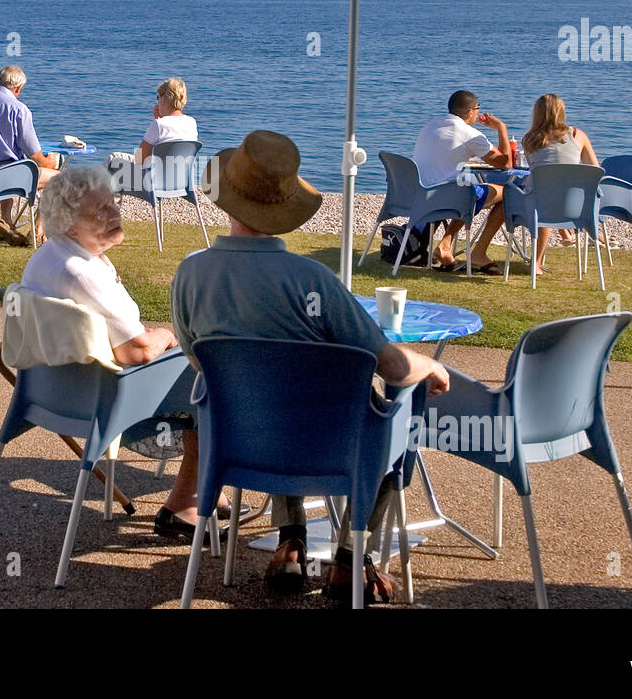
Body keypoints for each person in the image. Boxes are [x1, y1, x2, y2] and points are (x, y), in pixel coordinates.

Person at [170, 130, 450, 603]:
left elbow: (198, 359)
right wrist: (431, 368)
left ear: (227, 200)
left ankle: (291, 539)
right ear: (284, 206)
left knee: (272, 399)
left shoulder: (190, 274)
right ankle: (350, 558)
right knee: (395, 416)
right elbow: (394, 367)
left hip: (239, 444)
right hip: (334, 451)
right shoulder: (311, 280)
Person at [21, 164, 224, 543]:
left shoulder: (50, 258)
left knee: (196, 362)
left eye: (113, 204)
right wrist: (166, 335)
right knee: (212, 375)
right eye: (100, 211)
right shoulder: (80, 271)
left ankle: (206, 484)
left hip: (57, 393)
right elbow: (140, 351)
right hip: (109, 404)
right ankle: (183, 505)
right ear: (67, 222)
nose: (115, 214)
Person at [412, 90, 512, 274]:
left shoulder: (431, 125)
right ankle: (477, 253)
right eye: (477, 109)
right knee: (507, 192)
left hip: (421, 195)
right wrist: (501, 128)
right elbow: (506, 163)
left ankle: (446, 245)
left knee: (466, 190)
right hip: (447, 198)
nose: (477, 112)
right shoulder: (470, 134)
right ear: (470, 112)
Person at [0, 65, 59, 244]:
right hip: (8, 175)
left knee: (7, 162)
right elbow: (33, 153)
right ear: (19, 88)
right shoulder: (19, 109)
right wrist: (48, 161)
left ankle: (6, 220)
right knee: (57, 178)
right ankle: (38, 231)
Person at [520, 93, 601, 274]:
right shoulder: (577, 135)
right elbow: (594, 169)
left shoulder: (529, 140)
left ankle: (537, 261)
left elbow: (536, 167)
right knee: (554, 192)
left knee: (542, 192)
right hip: (574, 206)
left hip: (536, 207)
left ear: (537, 113)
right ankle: (575, 232)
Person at [135, 77, 197, 162]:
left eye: (158, 97)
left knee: (115, 157)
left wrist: (159, 121)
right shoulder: (191, 122)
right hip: (182, 174)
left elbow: (139, 158)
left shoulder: (158, 124)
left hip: (154, 174)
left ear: (164, 98)